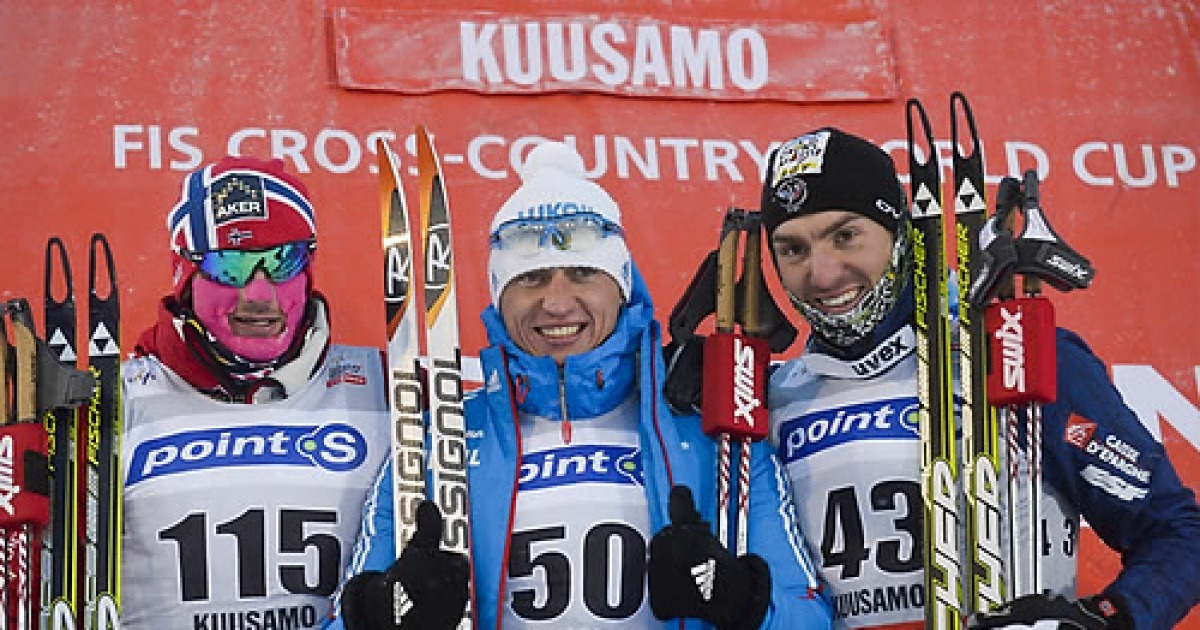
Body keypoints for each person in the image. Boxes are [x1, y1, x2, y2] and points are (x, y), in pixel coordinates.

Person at [324, 141, 833, 629]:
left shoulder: (712, 436)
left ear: (623, 288)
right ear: (500, 297)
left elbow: (808, 617)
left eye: (584, 273)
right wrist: (379, 615)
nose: (558, 303)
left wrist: (742, 602)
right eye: (531, 279)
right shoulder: (438, 444)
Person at [718, 127, 1200, 629]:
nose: (821, 274)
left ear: (901, 232)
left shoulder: (1012, 353)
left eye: (845, 236)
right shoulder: (768, 399)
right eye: (793, 250)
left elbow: (1179, 534)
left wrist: (1104, 620)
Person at [120, 156, 391, 630]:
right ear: (186, 274)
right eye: (232, 266)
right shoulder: (115, 403)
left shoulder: (388, 387)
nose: (259, 293)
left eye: (283, 261)